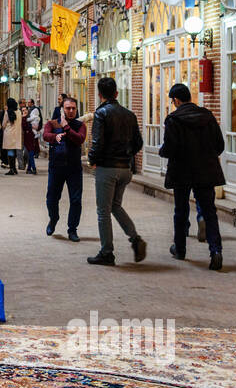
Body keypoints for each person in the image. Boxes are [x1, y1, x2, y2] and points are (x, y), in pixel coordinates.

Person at [159, 83, 226, 271]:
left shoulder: (173, 119)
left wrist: (162, 152)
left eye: (173, 101)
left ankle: (180, 249)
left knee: (181, 211)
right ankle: (216, 251)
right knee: (209, 211)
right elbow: (219, 145)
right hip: (206, 171)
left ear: (177, 100)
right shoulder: (208, 116)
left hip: (182, 172)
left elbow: (169, 148)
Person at [87, 77, 148, 266]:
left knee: (103, 211)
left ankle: (107, 252)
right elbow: (138, 142)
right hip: (125, 169)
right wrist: (127, 155)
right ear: (116, 93)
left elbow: (97, 142)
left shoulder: (101, 113)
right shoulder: (129, 114)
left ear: (99, 95)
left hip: (107, 168)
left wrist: (93, 159)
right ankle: (135, 238)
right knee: (115, 206)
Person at [42, 96, 86, 242]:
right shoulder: (52, 123)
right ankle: (53, 219)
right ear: (62, 109)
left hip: (74, 168)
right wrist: (56, 137)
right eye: (68, 108)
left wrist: (66, 126)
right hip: (56, 167)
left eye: (74, 108)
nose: (71, 111)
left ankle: (72, 230)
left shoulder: (80, 125)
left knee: (76, 200)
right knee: (51, 199)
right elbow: (45, 135)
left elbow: (79, 139)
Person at [1, 97, 22, 175]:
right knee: (15, 151)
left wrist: (3, 128)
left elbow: (3, 124)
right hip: (17, 134)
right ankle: (14, 168)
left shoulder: (7, 112)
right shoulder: (19, 112)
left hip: (9, 134)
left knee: (10, 151)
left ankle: (11, 168)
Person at [23, 99, 42, 175]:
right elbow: (24, 126)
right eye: (23, 111)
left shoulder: (31, 116)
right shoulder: (25, 118)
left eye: (26, 110)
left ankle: (31, 168)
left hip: (32, 136)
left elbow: (37, 122)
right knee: (30, 152)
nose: (25, 112)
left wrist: (36, 127)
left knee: (31, 152)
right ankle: (31, 168)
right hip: (28, 136)